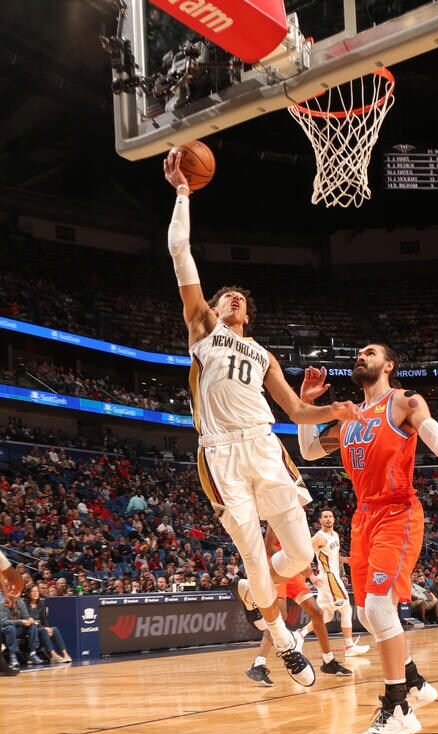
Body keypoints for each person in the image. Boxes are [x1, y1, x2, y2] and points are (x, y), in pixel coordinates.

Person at [164, 150, 360, 687]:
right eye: (223, 294)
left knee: (298, 554)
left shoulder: (265, 355)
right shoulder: (203, 328)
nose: (228, 298)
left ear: (246, 313)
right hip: (221, 450)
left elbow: (295, 410)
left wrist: (333, 409)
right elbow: (179, 249)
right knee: (251, 550)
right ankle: (282, 641)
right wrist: (184, 192)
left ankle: (261, 591)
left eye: (236, 298)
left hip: (266, 447)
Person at [298, 345, 438, 734]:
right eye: (358, 354)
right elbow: (309, 450)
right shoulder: (349, 414)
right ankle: (414, 681)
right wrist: (305, 405)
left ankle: (398, 707)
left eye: (369, 352)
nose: (360, 357)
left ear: (389, 365)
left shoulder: (403, 402)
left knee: (381, 607)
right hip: (363, 518)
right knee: (366, 613)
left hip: (397, 512)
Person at [245, 526, 352, 685]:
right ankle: (258, 665)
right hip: (277, 569)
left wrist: (304, 567)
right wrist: (292, 560)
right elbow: (269, 548)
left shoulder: (297, 519)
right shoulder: (274, 519)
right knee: (280, 616)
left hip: (294, 571)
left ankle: (328, 661)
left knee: (317, 613)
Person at [296, 509, 370, 658]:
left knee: (326, 616)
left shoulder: (335, 535)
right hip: (329, 578)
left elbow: (332, 554)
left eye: (330, 516)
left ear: (334, 519)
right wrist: (312, 577)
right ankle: (349, 646)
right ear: (320, 521)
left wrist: (343, 559)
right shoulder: (318, 538)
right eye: (325, 517)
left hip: (331, 577)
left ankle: (299, 634)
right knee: (346, 609)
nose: (328, 519)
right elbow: (304, 558)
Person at [25, 583, 72, 663]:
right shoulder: (25, 604)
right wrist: (44, 628)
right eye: (33, 591)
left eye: (37, 591)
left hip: (40, 627)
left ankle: (65, 654)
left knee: (54, 629)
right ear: (29, 593)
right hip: (30, 628)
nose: (36, 593)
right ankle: (53, 655)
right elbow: (29, 620)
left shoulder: (41, 603)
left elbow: (44, 619)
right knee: (43, 631)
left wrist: (48, 628)